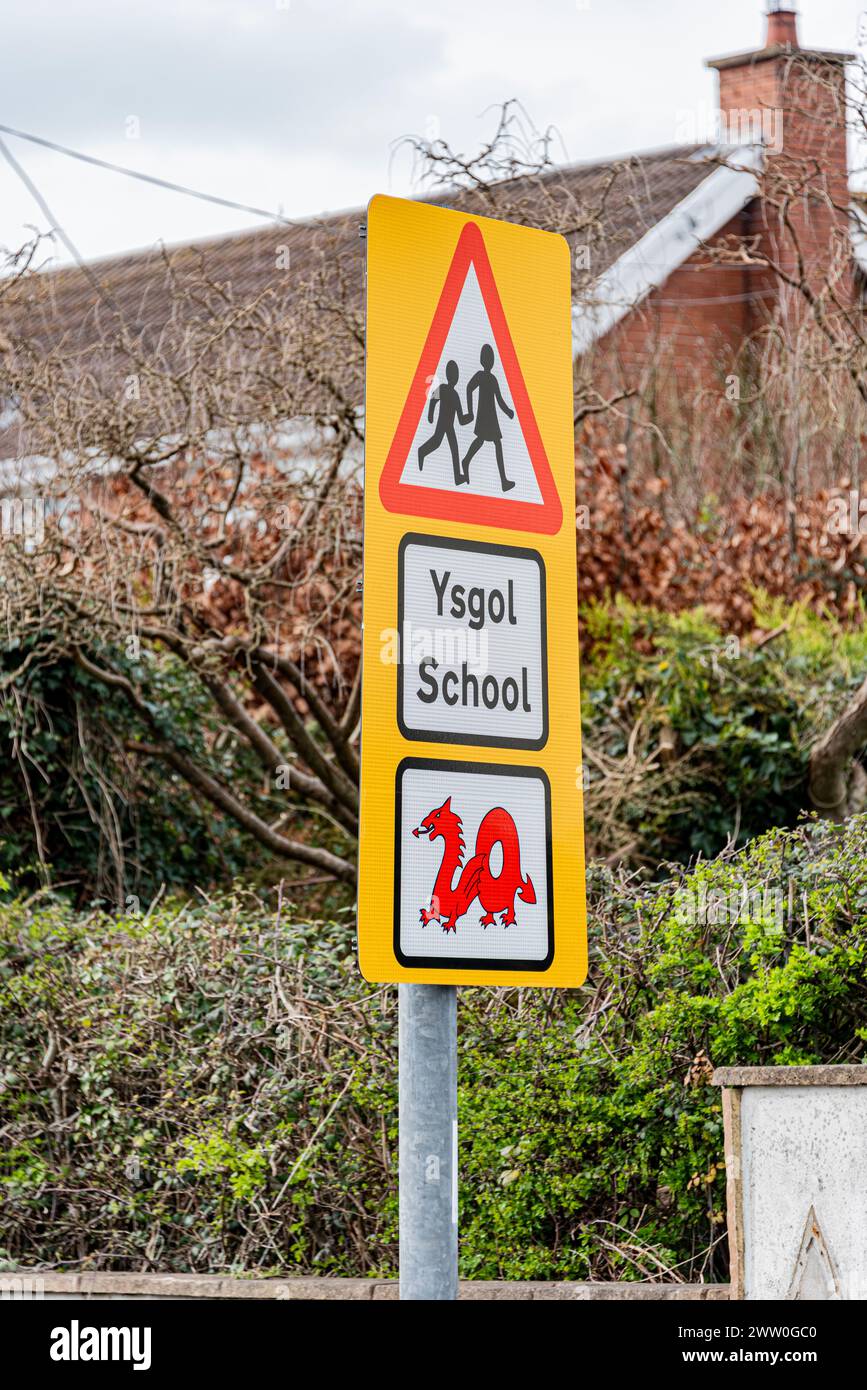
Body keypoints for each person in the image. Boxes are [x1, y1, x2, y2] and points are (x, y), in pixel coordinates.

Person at [460, 343, 515, 491]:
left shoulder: (492, 378)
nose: (490, 361)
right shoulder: (481, 376)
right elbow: (469, 388)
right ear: (484, 360)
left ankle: (466, 461)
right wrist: (470, 411)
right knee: (491, 442)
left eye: (491, 358)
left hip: (491, 416)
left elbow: (499, 399)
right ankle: (502, 480)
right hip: (484, 416)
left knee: (484, 441)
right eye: (488, 358)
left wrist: (508, 411)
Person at [417, 360, 471, 486]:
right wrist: (430, 415)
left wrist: (470, 417)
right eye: (453, 374)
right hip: (442, 423)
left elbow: (461, 419)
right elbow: (433, 401)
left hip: (450, 425)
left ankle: (457, 476)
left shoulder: (455, 395)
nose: (455, 377)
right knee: (436, 442)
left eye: (456, 375)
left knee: (454, 449)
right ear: (448, 375)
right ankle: (421, 451)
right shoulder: (443, 388)